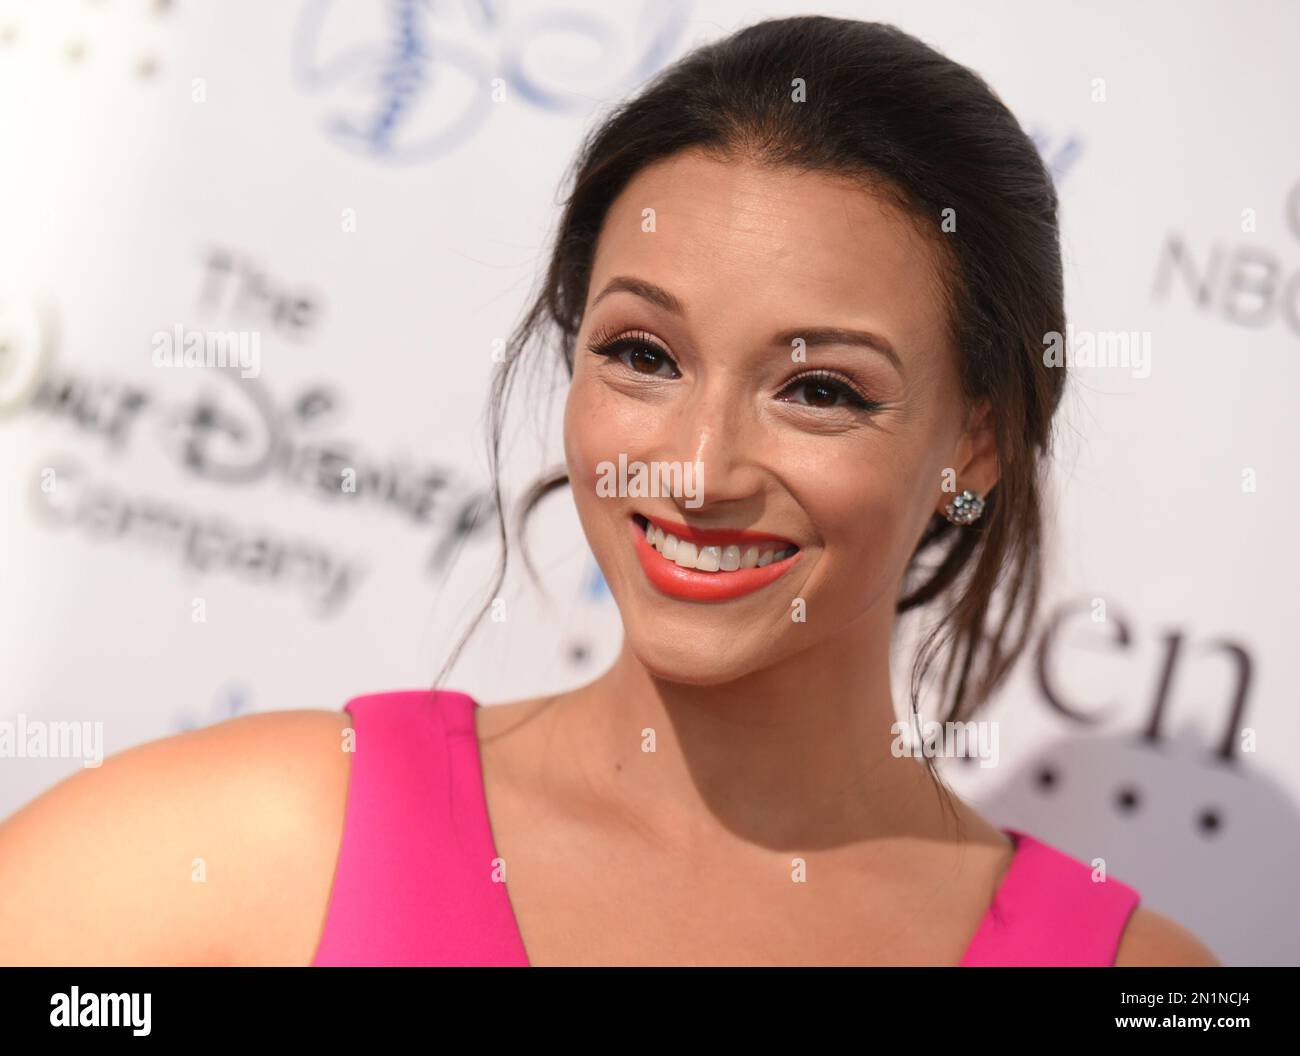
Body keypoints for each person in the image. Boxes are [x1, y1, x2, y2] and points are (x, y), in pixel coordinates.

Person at [0, 15, 1219, 966]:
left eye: (822, 391)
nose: (694, 469)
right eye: (644, 356)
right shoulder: (242, 848)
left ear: (979, 444)